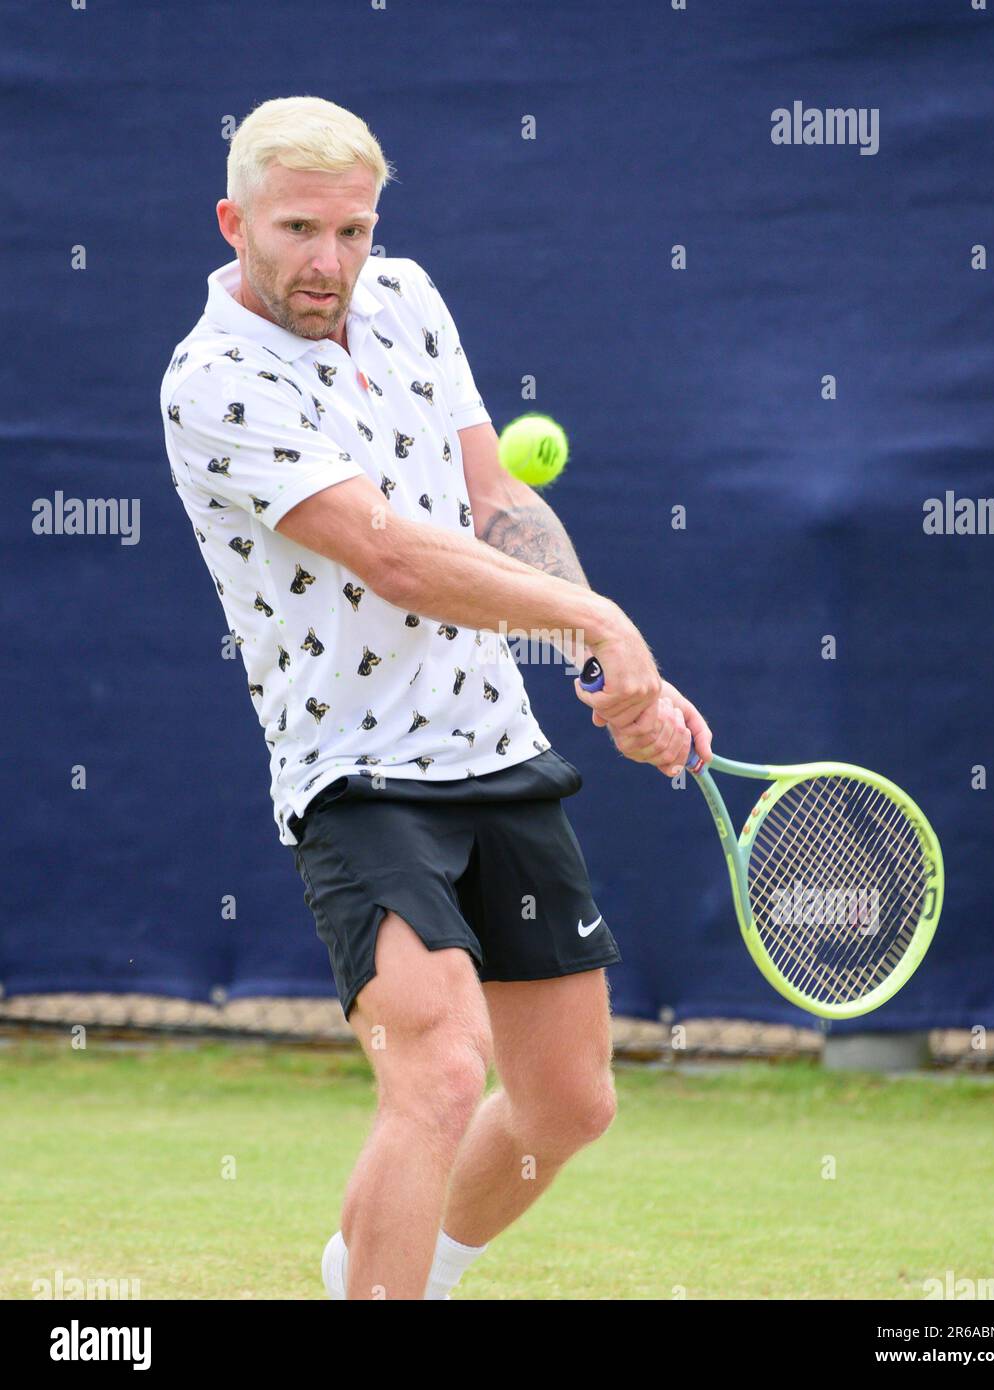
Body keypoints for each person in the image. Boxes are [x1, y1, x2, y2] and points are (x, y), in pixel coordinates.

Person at [160, 96, 712, 1300]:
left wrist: (614, 668)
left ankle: (388, 1266)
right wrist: (601, 620)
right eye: (298, 228)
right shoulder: (212, 380)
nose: (329, 261)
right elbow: (392, 552)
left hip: (494, 749)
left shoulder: (406, 296)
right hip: (356, 776)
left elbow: (493, 502)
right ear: (233, 222)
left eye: (351, 229)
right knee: (440, 1073)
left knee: (567, 1103)